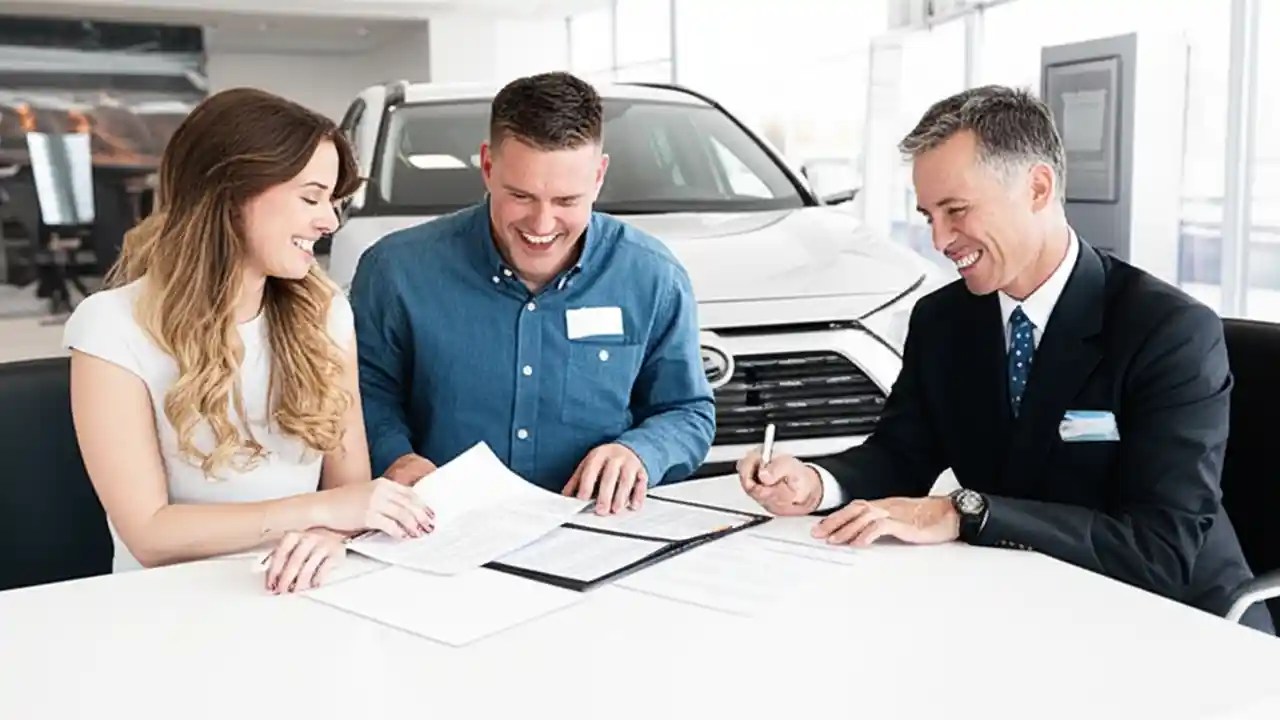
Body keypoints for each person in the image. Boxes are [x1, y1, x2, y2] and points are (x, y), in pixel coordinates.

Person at [736, 85, 1274, 635]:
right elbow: (902, 453)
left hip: (1180, 622)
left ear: (1037, 188)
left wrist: (964, 512)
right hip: (1024, 603)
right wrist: (818, 482)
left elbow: (1159, 547)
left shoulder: (1168, 331)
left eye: (957, 210)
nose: (939, 239)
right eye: (928, 215)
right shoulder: (942, 320)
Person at [63, 88, 434, 595]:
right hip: (166, 604)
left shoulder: (326, 313)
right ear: (230, 194)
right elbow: (149, 534)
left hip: (304, 590)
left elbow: (352, 492)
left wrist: (330, 535)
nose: (330, 221)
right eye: (311, 197)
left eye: (332, 201)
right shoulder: (110, 326)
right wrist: (323, 512)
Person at [351, 71, 715, 514]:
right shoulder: (395, 271)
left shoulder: (653, 277)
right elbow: (363, 394)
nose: (542, 226)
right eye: (521, 196)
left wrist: (642, 451)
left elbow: (687, 411)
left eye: (566, 201)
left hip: (595, 533)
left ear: (599, 176)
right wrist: (396, 458)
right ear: (487, 166)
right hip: (438, 529)